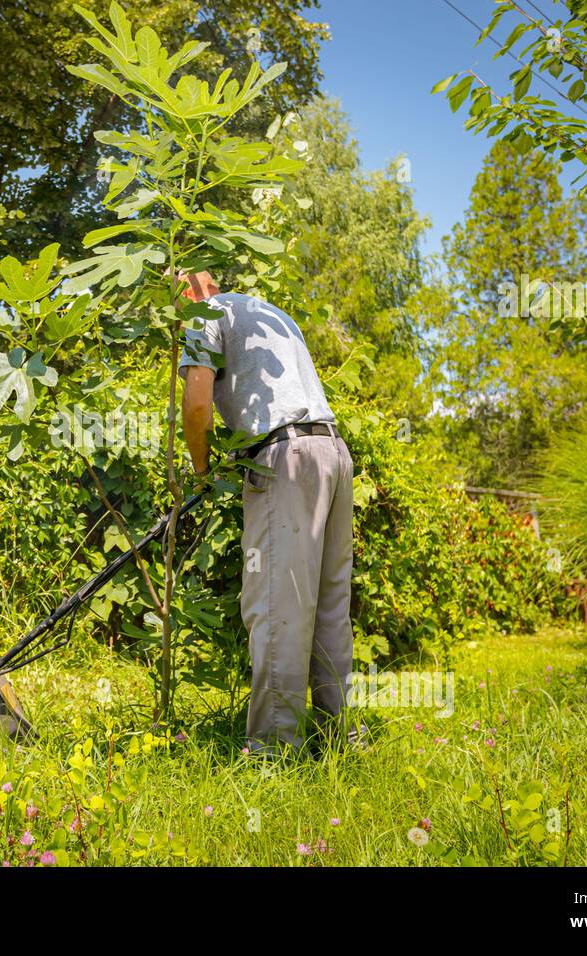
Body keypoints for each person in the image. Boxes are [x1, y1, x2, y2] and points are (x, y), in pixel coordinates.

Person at [176, 271, 355, 755]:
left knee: (277, 606)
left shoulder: (202, 314)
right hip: (333, 453)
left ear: (191, 293)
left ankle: (276, 751)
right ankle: (339, 738)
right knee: (330, 607)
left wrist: (202, 470)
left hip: (283, 460)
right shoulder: (272, 315)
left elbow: (197, 406)